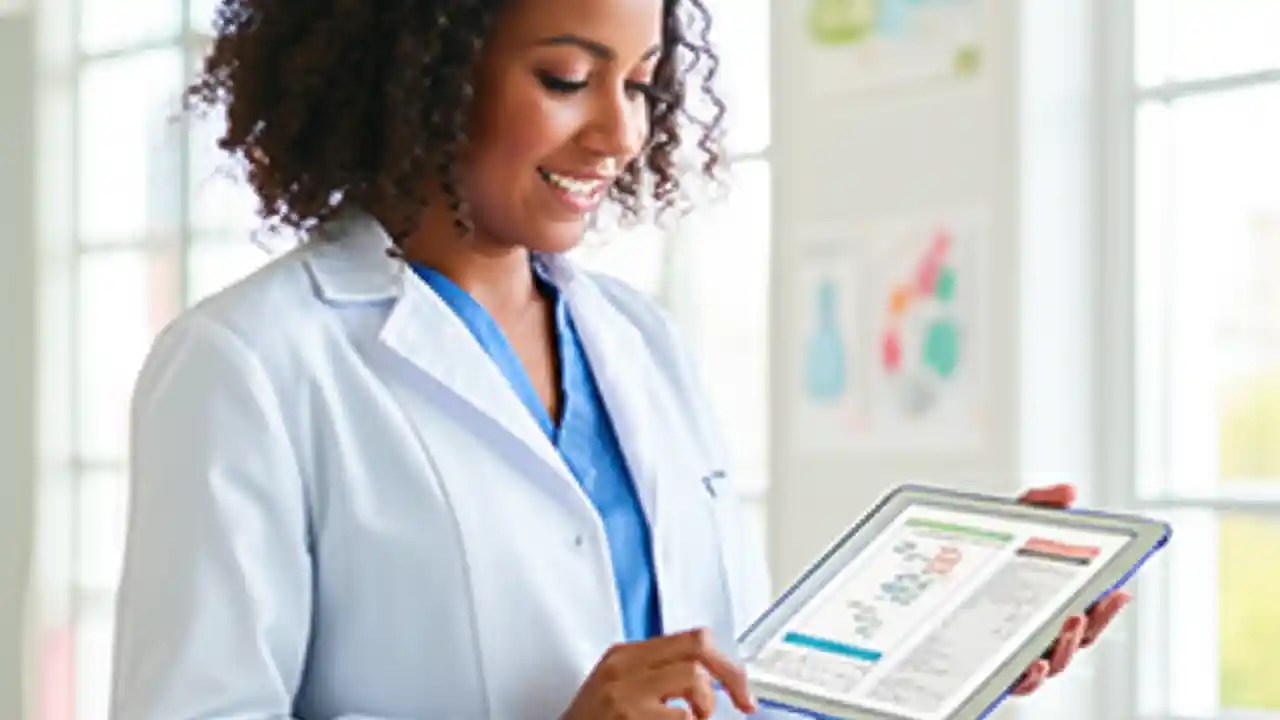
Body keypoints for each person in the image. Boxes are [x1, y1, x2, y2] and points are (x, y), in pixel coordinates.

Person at [109, 0, 1131, 717]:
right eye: (565, 78)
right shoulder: (247, 363)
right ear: (415, 67)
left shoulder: (637, 341)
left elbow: (728, 685)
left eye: (640, 84)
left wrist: (938, 665)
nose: (618, 132)